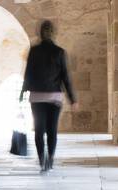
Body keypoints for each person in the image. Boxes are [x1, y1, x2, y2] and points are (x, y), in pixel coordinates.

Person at [20, 20, 76, 172]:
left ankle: (41, 159)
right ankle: (50, 159)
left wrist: (22, 93)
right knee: (52, 130)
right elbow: (65, 77)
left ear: (40, 33)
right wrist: (72, 99)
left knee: (39, 130)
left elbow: (28, 74)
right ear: (53, 33)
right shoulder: (59, 52)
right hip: (54, 97)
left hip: (37, 96)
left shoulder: (34, 51)